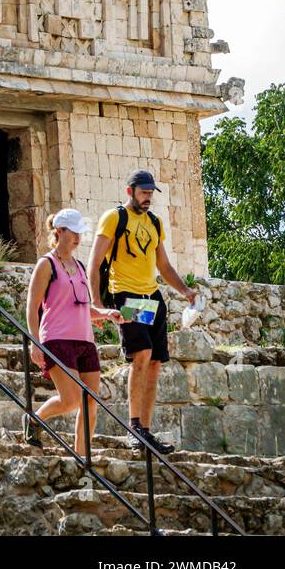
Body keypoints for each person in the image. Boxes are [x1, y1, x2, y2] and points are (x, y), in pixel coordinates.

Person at [87, 170, 199, 453]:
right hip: (126, 295)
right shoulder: (114, 218)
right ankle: (133, 427)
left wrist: (185, 291)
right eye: (144, 192)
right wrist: (97, 306)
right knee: (142, 353)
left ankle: (145, 430)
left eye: (151, 193)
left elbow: (163, 265)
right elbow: (94, 263)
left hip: (152, 297)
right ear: (130, 191)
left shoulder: (154, 222)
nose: (148, 198)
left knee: (155, 363)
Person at [24, 209, 123, 455]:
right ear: (59, 232)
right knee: (71, 400)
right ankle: (35, 418)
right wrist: (35, 343)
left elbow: (80, 307)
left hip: (85, 341)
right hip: (57, 339)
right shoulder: (46, 264)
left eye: (80, 232)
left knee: (91, 401)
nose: (79, 237)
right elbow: (32, 305)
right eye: (74, 232)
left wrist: (105, 313)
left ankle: (82, 457)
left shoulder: (79, 267)